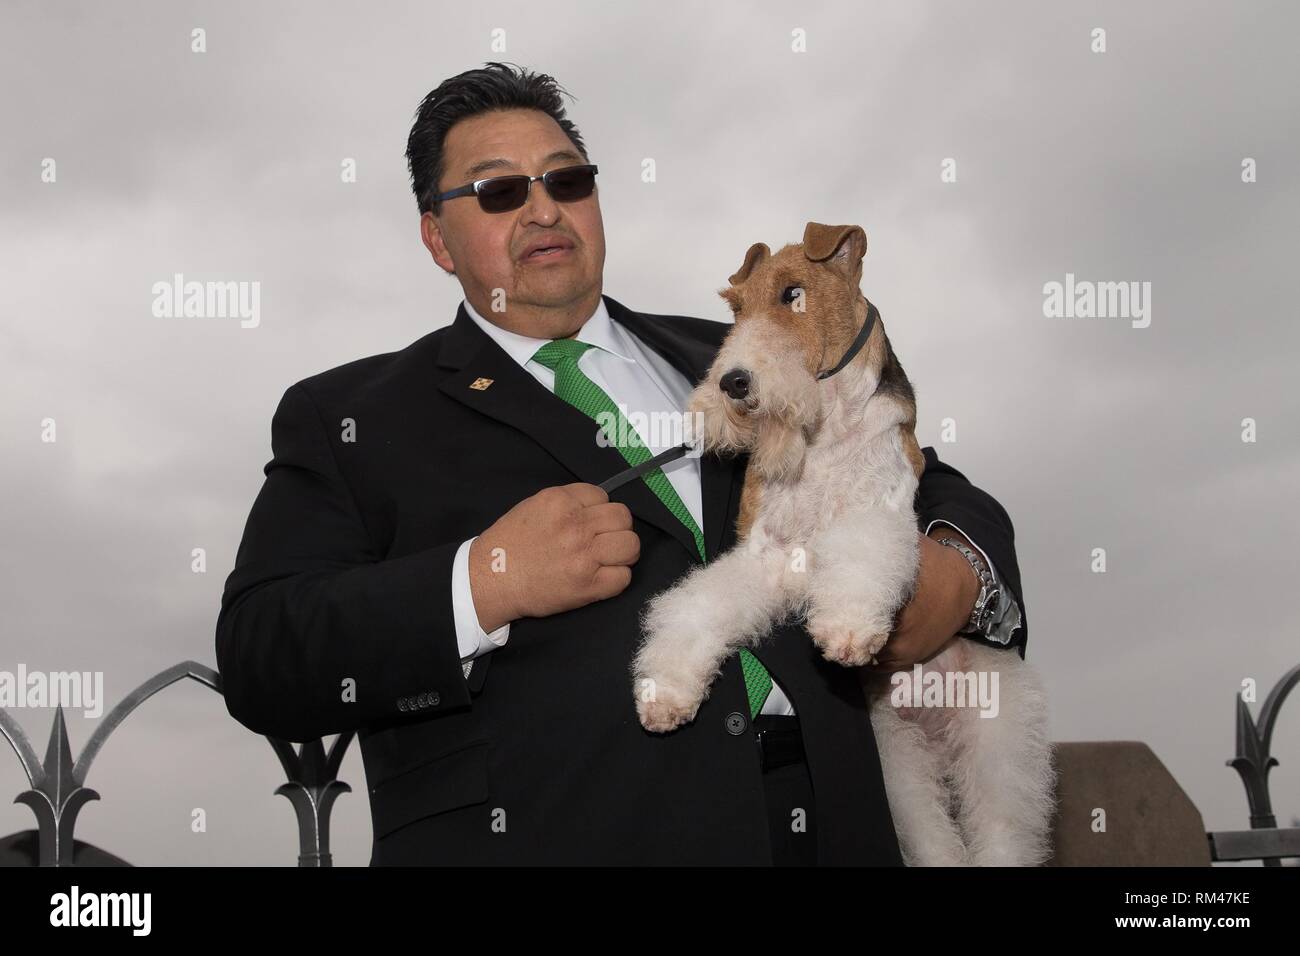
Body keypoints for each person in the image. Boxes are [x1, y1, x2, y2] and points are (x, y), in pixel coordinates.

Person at [215, 61, 1027, 866]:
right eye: (500, 191)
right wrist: (483, 582)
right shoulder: (350, 415)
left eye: (567, 180)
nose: (543, 208)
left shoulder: (734, 350)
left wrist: (963, 575)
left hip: (841, 831)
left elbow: (915, 463)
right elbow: (261, 652)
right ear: (436, 236)